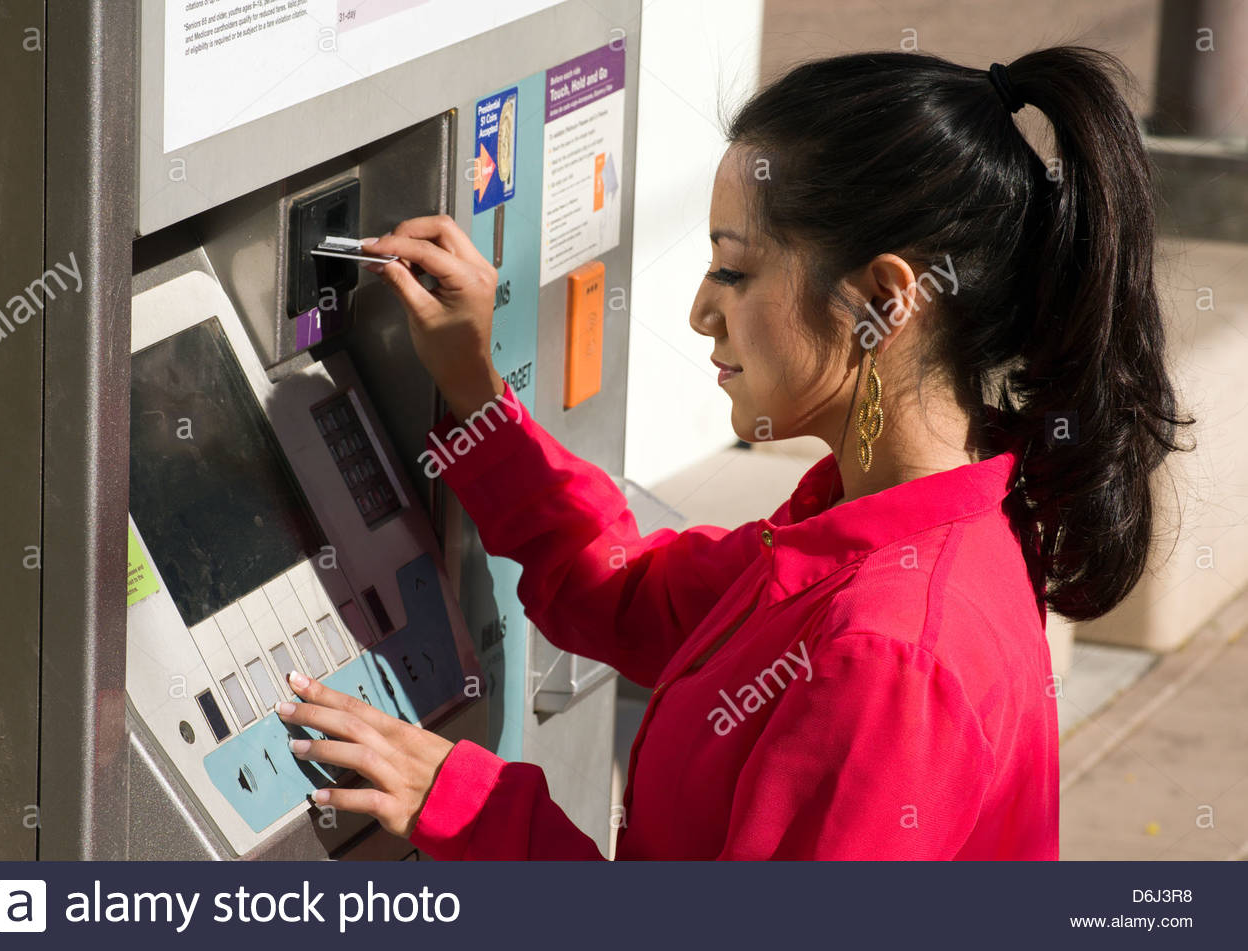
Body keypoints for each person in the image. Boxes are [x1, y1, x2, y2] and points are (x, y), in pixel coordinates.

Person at [274, 46, 1193, 860]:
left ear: (883, 298)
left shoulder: (886, 656)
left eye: (736, 269)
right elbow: (627, 588)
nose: (700, 313)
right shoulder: (891, 527)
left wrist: (474, 812)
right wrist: (474, 395)